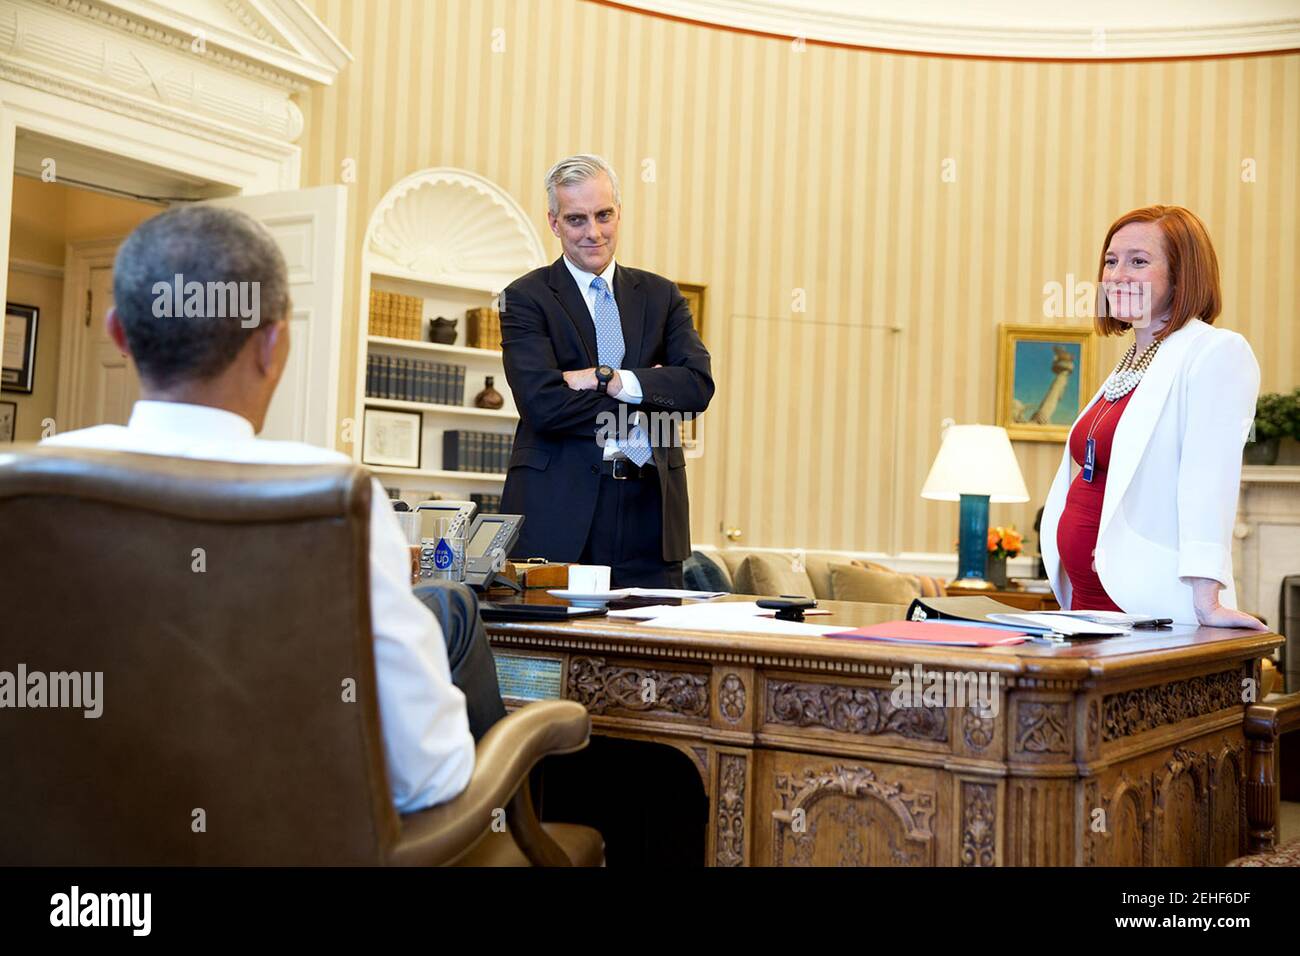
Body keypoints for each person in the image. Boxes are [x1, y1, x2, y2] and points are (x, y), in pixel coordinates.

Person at [43, 205, 504, 811]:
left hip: (87, 870)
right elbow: (428, 774)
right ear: (274, 345)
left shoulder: (38, 476)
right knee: (453, 614)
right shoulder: (336, 495)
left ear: (118, 334)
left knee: (447, 608)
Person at [1041, 205, 1265, 629]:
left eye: (1138, 261)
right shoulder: (1132, 361)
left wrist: (1206, 602)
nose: (1117, 274)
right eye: (1111, 261)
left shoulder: (1215, 352)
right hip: (1086, 603)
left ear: (1182, 275)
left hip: (1153, 608)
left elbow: (1209, 478)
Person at [499, 154, 713, 588]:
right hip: (562, 515)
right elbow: (543, 405)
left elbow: (696, 388)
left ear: (619, 212)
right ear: (554, 223)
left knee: (657, 653)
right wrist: (648, 388)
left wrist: (607, 378)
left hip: (652, 514)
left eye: (603, 215)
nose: (593, 232)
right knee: (562, 652)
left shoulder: (661, 295)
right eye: (576, 219)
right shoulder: (523, 298)